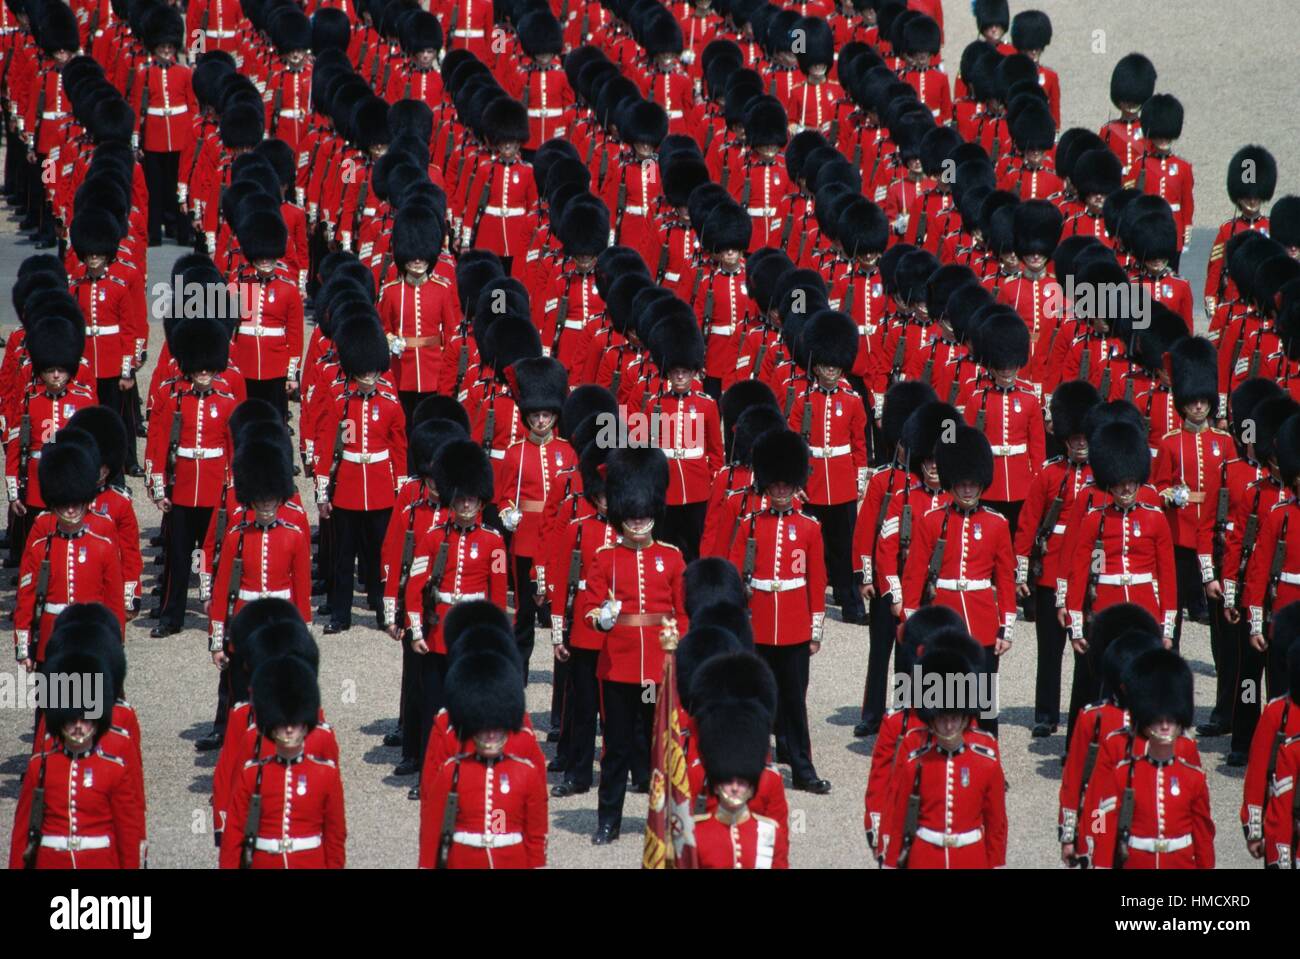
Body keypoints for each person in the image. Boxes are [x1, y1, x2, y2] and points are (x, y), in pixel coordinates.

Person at [577, 446, 687, 844]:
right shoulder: (605, 558)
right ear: (621, 516)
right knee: (616, 749)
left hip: (657, 668)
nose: (638, 523)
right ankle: (609, 820)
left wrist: (677, 646)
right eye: (631, 517)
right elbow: (589, 605)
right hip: (619, 667)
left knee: (664, 747)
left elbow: (683, 611)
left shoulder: (671, 558)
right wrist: (600, 618)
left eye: (643, 516)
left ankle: (672, 818)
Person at [729, 428, 831, 792]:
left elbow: (816, 583)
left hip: (794, 627)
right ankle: (754, 766)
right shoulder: (750, 525)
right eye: (775, 486)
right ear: (767, 486)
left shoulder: (810, 528)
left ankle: (803, 769)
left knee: (794, 701)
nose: (781, 492)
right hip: (758, 626)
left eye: (787, 485)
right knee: (757, 701)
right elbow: (736, 576)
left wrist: (815, 629)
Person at [902, 424, 1017, 735]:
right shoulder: (930, 521)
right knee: (938, 696)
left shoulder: (997, 524)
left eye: (973, 484)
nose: (967, 490)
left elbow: (1005, 578)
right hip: (943, 618)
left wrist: (1006, 627)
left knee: (982, 703)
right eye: (962, 484)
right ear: (953, 483)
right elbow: (914, 575)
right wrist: (911, 623)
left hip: (982, 621)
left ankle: (987, 758)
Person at [402, 438, 507, 777]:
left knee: (470, 706)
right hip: (437, 634)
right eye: (460, 498)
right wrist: (416, 629)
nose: (465, 505)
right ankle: (430, 772)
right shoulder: (433, 537)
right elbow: (416, 587)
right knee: (434, 708)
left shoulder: (493, 541)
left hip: (473, 634)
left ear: (480, 501)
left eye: (471, 499)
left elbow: (497, 598)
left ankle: (468, 769)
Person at [9, 648, 145, 869]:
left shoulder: (112, 769)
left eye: (85, 720)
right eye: (71, 720)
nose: (79, 727)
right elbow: (22, 832)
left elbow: (127, 833)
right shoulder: (40, 767)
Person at [1016, 380, 1100, 736]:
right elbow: (1028, 524)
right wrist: (1022, 570)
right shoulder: (1050, 474)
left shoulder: (1102, 477)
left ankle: (1082, 712)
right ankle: (1046, 714)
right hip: (1051, 573)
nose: (1080, 444)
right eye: (1075, 438)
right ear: (1065, 438)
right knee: (1049, 651)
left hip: (1089, 576)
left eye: (1085, 438)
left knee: (1086, 651)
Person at [313, 316, 406, 633]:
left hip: (379, 485)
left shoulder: (390, 404)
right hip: (348, 486)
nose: (369, 377)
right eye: (364, 371)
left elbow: (399, 449)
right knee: (343, 556)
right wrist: (323, 492)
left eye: (373, 371)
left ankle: (383, 611)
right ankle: (340, 614)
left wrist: (400, 489)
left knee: (381, 554)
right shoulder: (340, 401)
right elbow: (327, 446)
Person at [145, 319, 237, 637]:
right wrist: (158, 487)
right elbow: (158, 444)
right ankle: (172, 616)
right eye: (198, 368)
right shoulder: (173, 397)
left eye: (208, 368)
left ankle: (214, 613)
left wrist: (232, 490)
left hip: (213, 487)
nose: (203, 373)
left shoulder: (225, 402)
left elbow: (232, 450)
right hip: (182, 485)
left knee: (211, 553)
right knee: (179, 554)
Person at [879, 645, 1008, 869]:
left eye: (955, 718)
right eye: (942, 718)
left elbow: (996, 822)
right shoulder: (916, 758)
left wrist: (996, 863)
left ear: (965, 718)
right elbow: (898, 816)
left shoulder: (985, 759)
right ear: (931, 719)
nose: (949, 726)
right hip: (925, 856)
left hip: (971, 857)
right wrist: (891, 862)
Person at [1086, 648, 1214, 869]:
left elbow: (1203, 833)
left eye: (1171, 720)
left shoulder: (1193, 777)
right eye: (1157, 720)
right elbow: (1101, 815)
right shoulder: (1122, 773)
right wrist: (1097, 857)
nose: (1165, 726)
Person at [418, 650, 548, 868]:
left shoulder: (523, 768)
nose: (489, 734)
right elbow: (432, 816)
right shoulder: (452, 769)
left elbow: (536, 823)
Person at [219, 655, 347, 869]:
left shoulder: (325, 775)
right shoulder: (252, 775)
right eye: (281, 723)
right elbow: (234, 832)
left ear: (306, 726)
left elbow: (335, 836)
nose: (288, 729)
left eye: (295, 723)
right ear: (271, 726)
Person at [15, 439, 125, 671]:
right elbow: (26, 600)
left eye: (76, 503)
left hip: (93, 642)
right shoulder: (39, 549)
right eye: (64, 504)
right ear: (54, 505)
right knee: (50, 705)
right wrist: (24, 648)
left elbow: (114, 604)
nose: (71, 509)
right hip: (50, 640)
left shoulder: (103, 548)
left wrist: (116, 645)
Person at [787, 309, 867, 624]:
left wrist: (859, 479)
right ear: (816, 364)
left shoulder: (852, 399)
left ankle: (851, 603)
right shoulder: (803, 399)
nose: (830, 371)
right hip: (813, 483)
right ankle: (806, 602)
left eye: (835, 365)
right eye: (825, 364)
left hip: (843, 482)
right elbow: (793, 442)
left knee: (844, 546)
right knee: (809, 549)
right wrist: (796, 482)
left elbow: (860, 445)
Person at [495, 356, 572, 673]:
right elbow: (503, 496)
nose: (541, 421)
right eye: (536, 416)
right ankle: (519, 673)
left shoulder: (567, 451)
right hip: (526, 537)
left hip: (557, 539)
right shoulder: (515, 452)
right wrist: (507, 513)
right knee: (524, 615)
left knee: (559, 613)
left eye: (546, 415)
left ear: (554, 416)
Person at [692, 696, 789, 869]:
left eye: (742, 782)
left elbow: (778, 851)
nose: (735, 788)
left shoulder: (770, 783)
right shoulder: (697, 834)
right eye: (729, 781)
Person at [128, 6, 195, 246]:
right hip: (155, 136)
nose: (166, 52)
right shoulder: (143, 73)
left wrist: (194, 134)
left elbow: (192, 105)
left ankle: (181, 230)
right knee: (154, 189)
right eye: (162, 48)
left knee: (179, 186)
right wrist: (136, 139)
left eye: (169, 48)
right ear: (155, 48)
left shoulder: (185, 73)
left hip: (180, 133)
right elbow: (136, 108)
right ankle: (153, 232)